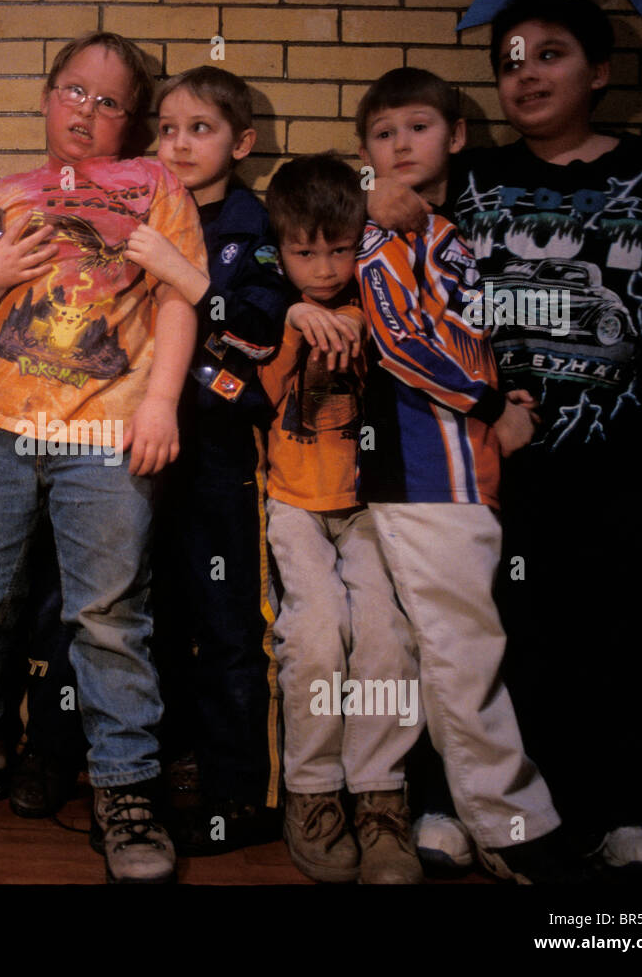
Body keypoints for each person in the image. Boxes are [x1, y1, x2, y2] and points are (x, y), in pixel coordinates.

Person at [0, 31, 205, 884]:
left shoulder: (154, 185)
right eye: (72, 91)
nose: (85, 111)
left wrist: (162, 401)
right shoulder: (8, 191)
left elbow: (178, 299)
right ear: (48, 97)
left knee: (107, 611)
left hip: (106, 428)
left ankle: (125, 786)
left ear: (132, 121)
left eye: (108, 101)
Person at [451, 0, 642, 873]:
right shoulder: (470, 178)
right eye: (510, 59)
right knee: (506, 633)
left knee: (633, 630)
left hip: (624, 456)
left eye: (549, 55)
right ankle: (506, 810)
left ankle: (636, 809)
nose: (525, 73)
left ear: (598, 73)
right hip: (501, 462)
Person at [354, 62, 573, 883]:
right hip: (421, 465)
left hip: (461, 465)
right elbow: (403, 344)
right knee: (462, 646)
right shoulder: (384, 227)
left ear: (457, 136)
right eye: (382, 133)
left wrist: (507, 397)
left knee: (446, 644)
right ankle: (513, 825)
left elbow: (470, 332)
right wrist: (491, 406)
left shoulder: (449, 231)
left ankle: (452, 815)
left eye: (416, 126)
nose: (400, 142)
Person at [126, 65, 288, 854]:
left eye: (201, 128)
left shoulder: (256, 222)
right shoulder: (143, 210)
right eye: (167, 128)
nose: (180, 143)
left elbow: (257, 333)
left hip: (222, 449)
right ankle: (165, 779)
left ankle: (242, 796)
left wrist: (178, 271)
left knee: (230, 627)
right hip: (133, 446)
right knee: (152, 617)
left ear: (242, 142)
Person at [259, 153, 423, 884]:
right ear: (281, 248)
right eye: (304, 251)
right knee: (316, 636)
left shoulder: (378, 302)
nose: (323, 267)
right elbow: (253, 397)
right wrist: (294, 325)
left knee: (387, 636)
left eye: (338, 247)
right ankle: (314, 792)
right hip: (293, 501)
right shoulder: (274, 305)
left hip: (367, 506)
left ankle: (381, 797)